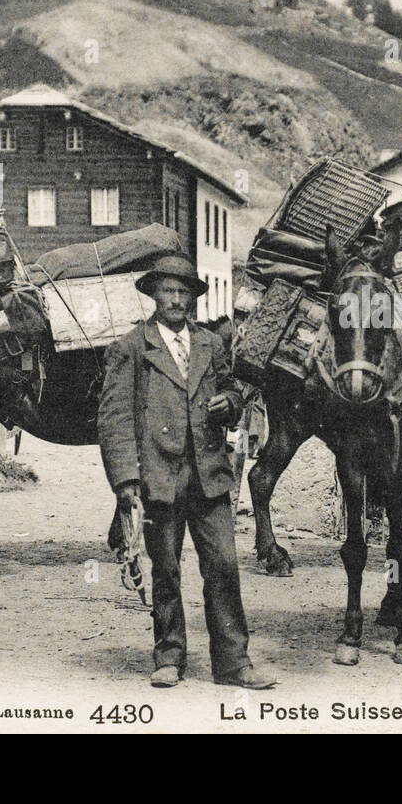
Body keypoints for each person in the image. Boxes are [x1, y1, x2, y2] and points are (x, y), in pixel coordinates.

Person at [97, 255, 277, 690]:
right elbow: (114, 418)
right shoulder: (131, 348)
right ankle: (169, 656)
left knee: (224, 566)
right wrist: (125, 481)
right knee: (167, 570)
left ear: (194, 300)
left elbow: (231, 389)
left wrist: (230, 405)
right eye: (168, 291)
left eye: (184, 293)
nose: (177, 300)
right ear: (153, 296)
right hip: (159, 476)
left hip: (209, 475)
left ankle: (234, 662)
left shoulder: (211, 345)